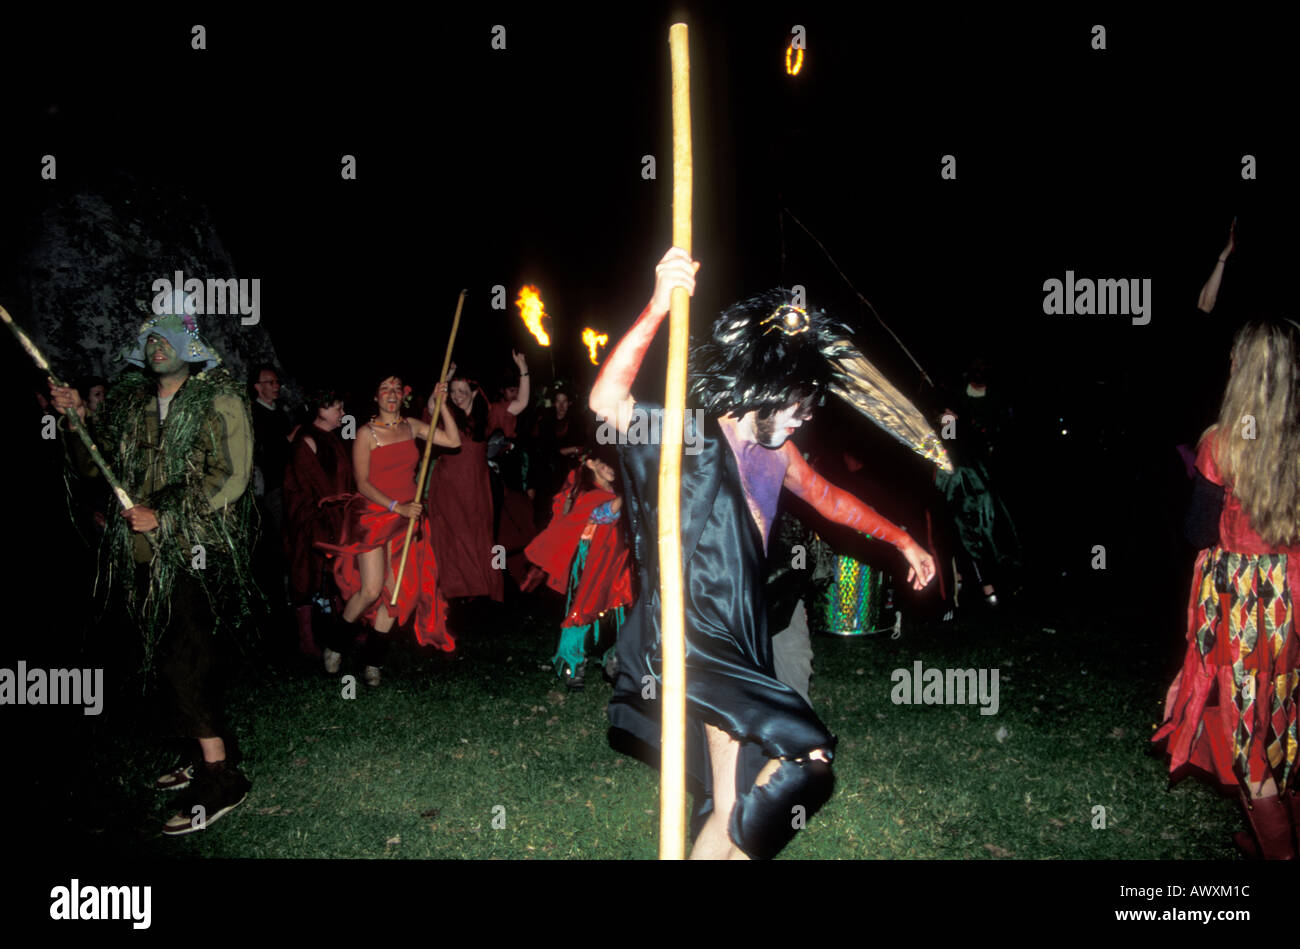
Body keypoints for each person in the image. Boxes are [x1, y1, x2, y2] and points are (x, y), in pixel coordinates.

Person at [590, 247, 943, 859]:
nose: (800, 423)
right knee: (805, 755)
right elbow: (608, 404)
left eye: (808, 411)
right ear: (762, 388)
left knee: (732, 802)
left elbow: (830, 499)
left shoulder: (778, 451)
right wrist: (656, 303)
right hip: (694, 627)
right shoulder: (693, 434)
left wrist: (903, 539)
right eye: (794, 407)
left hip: (743, 630)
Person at [50, 307, 255, 835]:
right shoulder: (129, 406)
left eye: (169, 335)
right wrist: (78, 418)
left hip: (194, 548)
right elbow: (93, 467)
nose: (157, 341)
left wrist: (166, 514)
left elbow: (231, 476)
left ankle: (222, 775)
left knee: (187, 657)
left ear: (191, 349)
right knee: (162, 656)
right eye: (148, 336)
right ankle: (198, 750)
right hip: (141, 553)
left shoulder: (219, 399)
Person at [1153, 320, 1300, 859]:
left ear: (1241, 368)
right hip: (1295, 595)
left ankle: (1281, 851)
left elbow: (1197, 531)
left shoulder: (1224, 440)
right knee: (1286, 717)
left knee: (1248, 739)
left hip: (1245, 603)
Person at [318, 376, 459, 686]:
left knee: (400, 596)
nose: (391, 394)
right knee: (371, 589)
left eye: (396, 389)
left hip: (405, 519)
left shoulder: (411, 426)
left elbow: (453, 441)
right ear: (376, 396)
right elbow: (363, 483)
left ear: (403, 396)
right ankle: (336, 644)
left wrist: (442, 403)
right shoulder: (366, 434)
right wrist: (396, 506)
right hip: (372, 517)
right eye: (385, 389)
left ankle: (372, 661)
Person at [524, 446, 634, 690]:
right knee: (582, 605)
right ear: (592, 464)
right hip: (587, 561)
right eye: (605, 464)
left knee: (617, 608)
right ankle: (574, 664)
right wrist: (625, 496)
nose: (612, 470)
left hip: (616, 559)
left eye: (614, 464)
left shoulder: (616, 490)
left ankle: (614, 660)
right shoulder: (586, 492)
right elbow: (599, 515)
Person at [283, 388, 354, 657]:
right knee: (307, 576)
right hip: (312, 519)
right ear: (322, 409)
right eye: (338, 408)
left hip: (333, 516)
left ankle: (342, 631)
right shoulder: (307, 440)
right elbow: (311, 484)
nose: (343, 414)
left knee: (337, 574)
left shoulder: (330, 438)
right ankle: (307, 641)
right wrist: (330, 513)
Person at [426, 367, 505, 609]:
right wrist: (444, 382)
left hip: (476, 486)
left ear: (474, 393)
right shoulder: (447, 414)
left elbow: (520, 404)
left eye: (462, 391)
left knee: (479, 535)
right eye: (453, 392)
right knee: (453, 537)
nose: (457, 396)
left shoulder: (487, 416)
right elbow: (432, 406)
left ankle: (481, 587)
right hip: (448, 486)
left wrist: (523, 370)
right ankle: (456, 590)